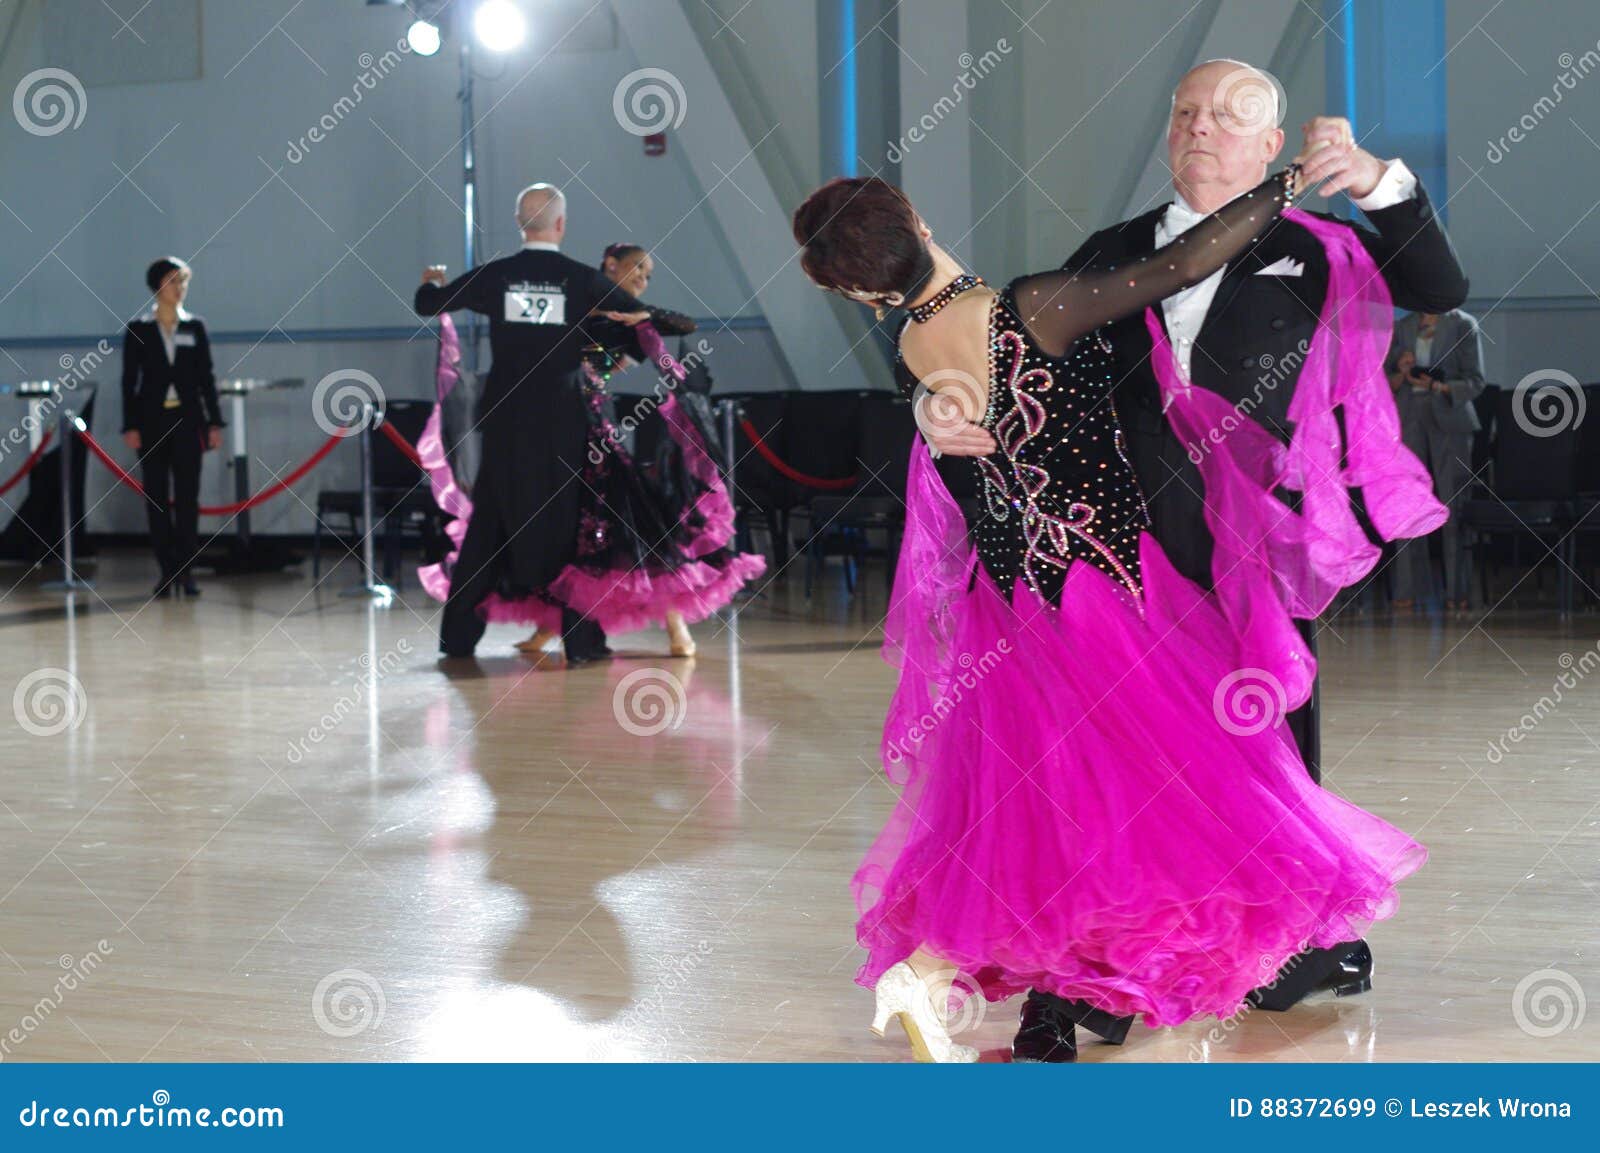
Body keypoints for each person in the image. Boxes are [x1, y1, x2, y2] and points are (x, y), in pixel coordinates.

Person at [793, 164, 1434, 1062]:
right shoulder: (1030, 306)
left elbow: (976, 483)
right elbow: (1178, 265)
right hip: (1107, 594)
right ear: (920, 220)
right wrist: (1277, 187)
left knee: (1053, 817)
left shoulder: (913, 349)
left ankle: (1029, 1014)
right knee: (1165, 800)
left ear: (864, 289)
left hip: (1009, 606)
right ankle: (1041, 1001)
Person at [923, 59, 1469, 1050]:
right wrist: (941, 403)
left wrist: (1380, 181)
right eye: (1185, 114)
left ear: (1271, 148)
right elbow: (1014, 364)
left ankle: (1281, 937)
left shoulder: (1325, 247)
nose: (1201, 129)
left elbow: (1439, 285)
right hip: (1127, 542)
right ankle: (1108, 958)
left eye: (1228, 116)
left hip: (1261, 537)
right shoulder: (1115, 249)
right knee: (1118, 755)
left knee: (1265, 735)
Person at [418, 239, 764, 662]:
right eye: (637, 270)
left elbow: (683, 324)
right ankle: (555, 628)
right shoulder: (579, 302)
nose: (642, 279)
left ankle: (673, 628)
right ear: (610, 268)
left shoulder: (626, 325)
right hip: (565, 428)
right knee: (575, 534)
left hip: (597, 433)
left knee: (626, 533)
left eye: (648, 275)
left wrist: (643, 315)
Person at [415, 183, 648, 662]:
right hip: (563, 424)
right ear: (561, 225)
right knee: (570, 527)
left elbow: (429, 304)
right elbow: (640, 325)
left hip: (504, 422)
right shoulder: (581, 279)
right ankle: (582, 643)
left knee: (488, 527)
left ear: (521, 224)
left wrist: (430, 282)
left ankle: (457, 641)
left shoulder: (497, 276)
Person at [120, 256, 224, 598]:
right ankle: (165, 569)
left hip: (187, 421)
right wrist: (130, 424)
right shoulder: (139, 329)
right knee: (156, 497)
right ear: (157, 286)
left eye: (183, 282)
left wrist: (214, 422)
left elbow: (207, 378)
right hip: (151, 424)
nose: (179, 289)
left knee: (188, 496)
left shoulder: (196, 327)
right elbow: (129, 382)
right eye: (173, 282)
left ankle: (187, 570)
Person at [1387, 310, 1485, 611]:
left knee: (1452, 504)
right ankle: (1407, 589)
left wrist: (1439, 386)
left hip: (1449, 418)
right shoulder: (1401, 327)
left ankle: (1458, 590)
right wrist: (1403, 373)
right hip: (1407, 418)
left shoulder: (1463, 324)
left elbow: (1475, 381)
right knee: (1407, 507)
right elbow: (1382, 381)